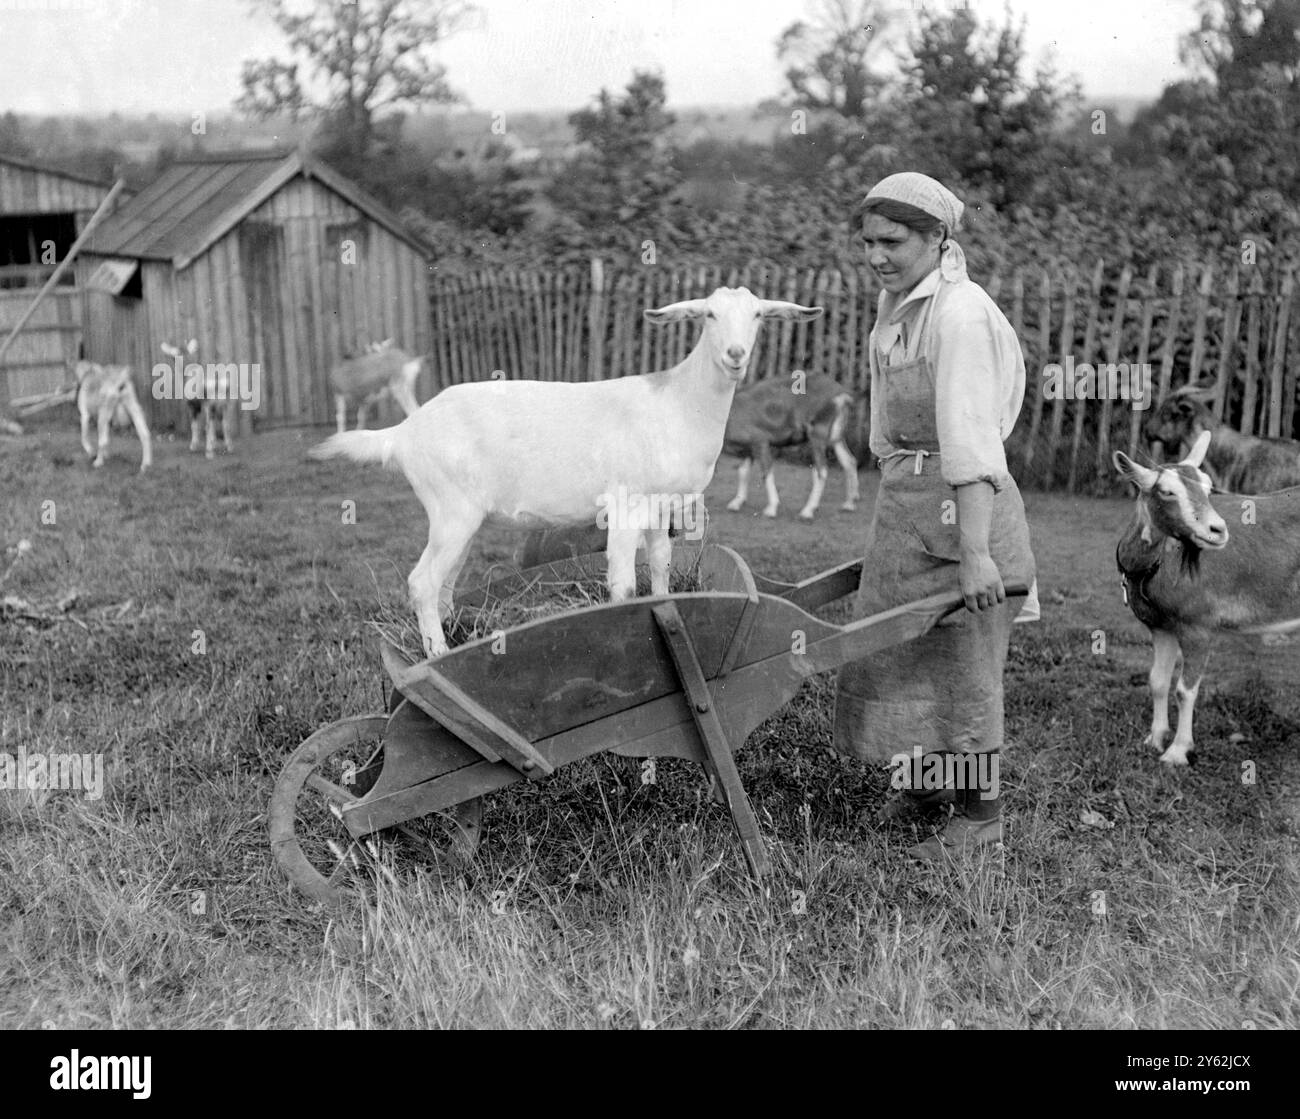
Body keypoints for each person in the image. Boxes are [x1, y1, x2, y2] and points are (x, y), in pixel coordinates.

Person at [834, 172, 1038, 860]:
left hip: (968, 513)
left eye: (891, 242)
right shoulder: (895, 313)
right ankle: (926, 794)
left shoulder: (961, 314)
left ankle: (979, 821)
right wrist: (898, 501)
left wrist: (976, 551)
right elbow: (886, 430)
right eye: (867, 242)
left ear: (937, 239)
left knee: (963, 667)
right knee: (900, 658)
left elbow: (974, 441)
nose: (876, 256)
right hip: (908, 511)